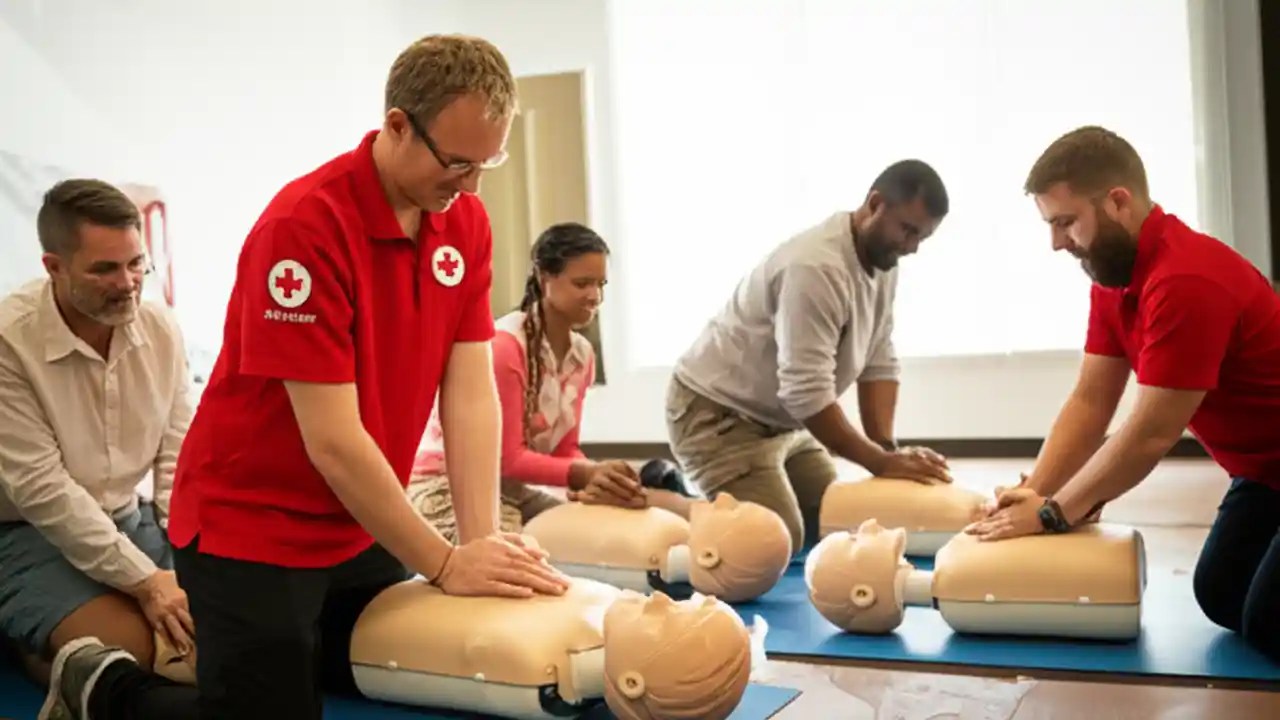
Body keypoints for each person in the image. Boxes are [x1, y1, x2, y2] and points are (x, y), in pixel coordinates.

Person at [37, 34, 569, 720]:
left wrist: (478, 543)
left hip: (360, 516)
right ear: (398, 127)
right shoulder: (304, 228)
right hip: (253, 525)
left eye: (487, 162)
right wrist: (441, 563)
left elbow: (468, 393)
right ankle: (102, 686)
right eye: (457, 162)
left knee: (409, 673)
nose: (472, 185)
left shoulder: (462, 221)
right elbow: (333, 440)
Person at [965, 125, 1280, 663]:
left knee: (1270, 625)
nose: (1056, 242)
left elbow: (1149, 433)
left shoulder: (1186, 280)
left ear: (1117, 202)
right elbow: (1091, 400)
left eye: (1066, 223)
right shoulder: (1113, 278)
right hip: (1264, 472)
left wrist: (1053, 513)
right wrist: (1034, 492)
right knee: (1221, 596)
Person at [666, 160, 954, 553]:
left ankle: (729, 493)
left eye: (922, 237)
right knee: (771, 539)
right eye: (907, 230)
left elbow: (878, 357)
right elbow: (805, 391)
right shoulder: (815, 267)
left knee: (834, 521)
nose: (912, 247)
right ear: (874, 204)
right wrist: (878, 463)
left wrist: (887, 449)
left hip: (782, 423)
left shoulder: (884, 259)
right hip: (717, 417)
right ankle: (663, 501)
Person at [0, 177, 194, 680]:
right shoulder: (8, 344)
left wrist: (186, 552)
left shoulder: (161, 328)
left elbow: (179, 454)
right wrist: (149, 584)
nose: (128, 282)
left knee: (224, 626)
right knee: (138, 655)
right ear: (53, 268)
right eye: (104, 269)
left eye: (136, 264)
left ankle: (48, 630)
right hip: (27, 533)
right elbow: (43, 492)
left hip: (129, 519)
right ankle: (27, 628)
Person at [409, 222, 646, 544]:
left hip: (512, 486)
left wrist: (600, 479)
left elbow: (564, 448)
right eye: (582, 283)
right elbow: (506, 458)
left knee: (595, 529)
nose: (595, 296)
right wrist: (583, 474)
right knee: (511, 553)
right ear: (544, 276)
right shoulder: (505, 347)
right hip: (447, 481)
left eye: (600, 284)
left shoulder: (581, 354)